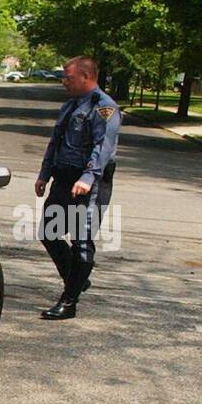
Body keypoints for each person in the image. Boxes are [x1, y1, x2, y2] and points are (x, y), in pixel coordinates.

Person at [35, 55, 120, 320]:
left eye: (68, 77)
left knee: (81, 240)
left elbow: (101, 147)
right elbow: (55, 143)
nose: (63, 81)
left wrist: (88, 177)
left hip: (87, 184)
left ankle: (69, 302)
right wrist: (44, 174)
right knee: (48, 233)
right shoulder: (70, 106)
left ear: (86, 76)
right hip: (62, 180)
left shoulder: (104, 108)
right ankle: (78, 279)